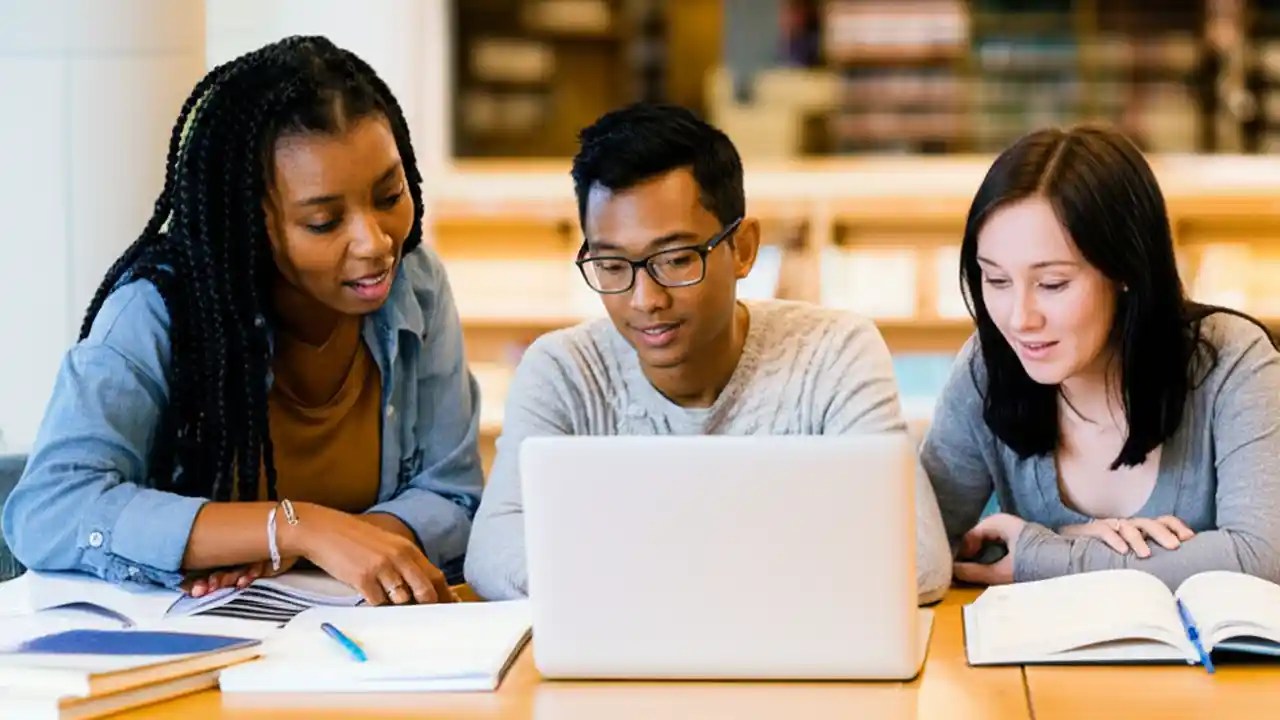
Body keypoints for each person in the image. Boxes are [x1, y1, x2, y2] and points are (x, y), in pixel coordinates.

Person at [1, 36, 483, 606]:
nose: (375, 243)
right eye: (325, 222)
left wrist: (315, 545)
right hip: (184, 650)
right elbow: (48, 510)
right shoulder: (159, 309)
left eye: (389, 195)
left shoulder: (416, 286)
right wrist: (295, 526)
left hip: (352, 639)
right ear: (252, 224)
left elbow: (453, 496)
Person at [464, 103, 951, 603]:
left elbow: (919, 557)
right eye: (611, 265)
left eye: (676, 260)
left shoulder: (832, 355)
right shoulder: (564, 370)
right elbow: (494, 551)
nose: (644, 299)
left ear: (742, 248)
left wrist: (635, 573)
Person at [922, 124, 1280, 590]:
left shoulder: (1232, 362)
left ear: (1125, 269)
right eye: (996, 280)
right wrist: (1069, 541)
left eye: (1052, 284)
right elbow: (914, 547)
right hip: (1040, 664)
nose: (1019, 318)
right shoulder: (987, 368)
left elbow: (1263, 557)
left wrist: (1057, 555)